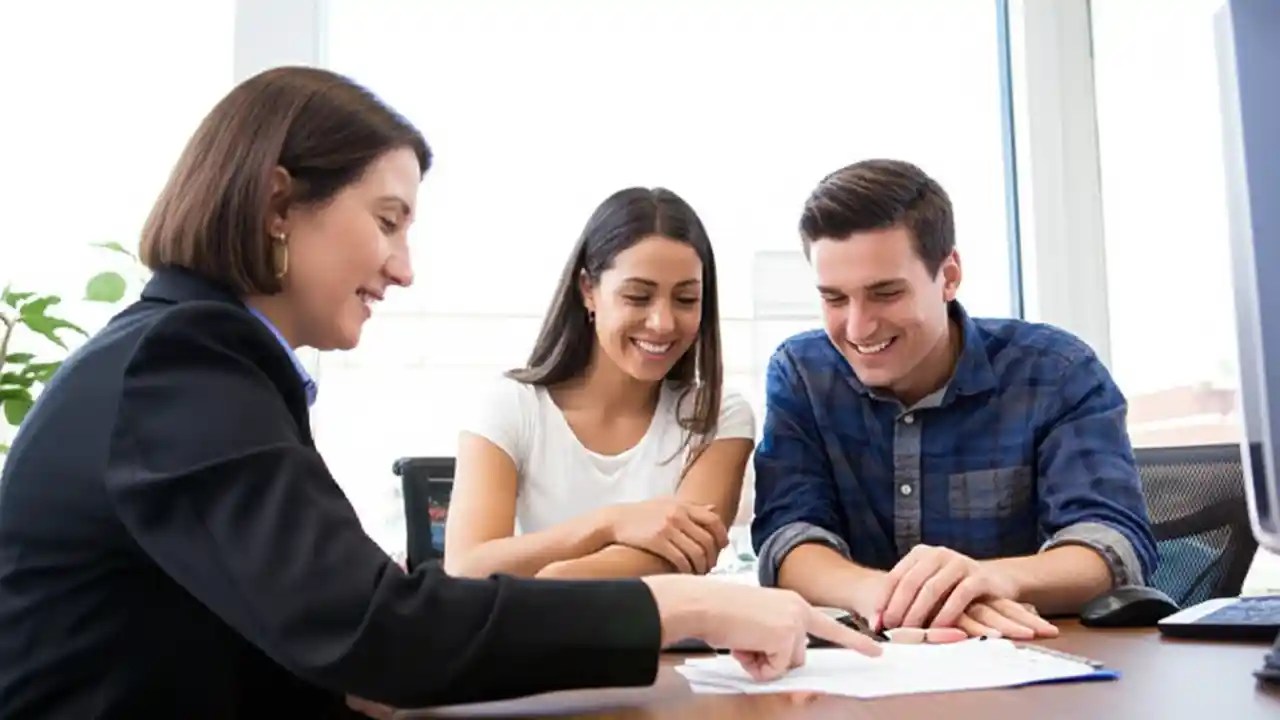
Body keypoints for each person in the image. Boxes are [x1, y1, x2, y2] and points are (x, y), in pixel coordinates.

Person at [0, 67, 879, 719]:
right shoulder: (180, 365)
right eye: (387, 221)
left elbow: (345, 620)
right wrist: (686, 603)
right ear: (278, 205)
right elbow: (376, 631)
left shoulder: (192, 357)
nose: (404, 266)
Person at [750, 158, 1158, 640]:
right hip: (865, 671)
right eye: (835, 299)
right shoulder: (803, 374)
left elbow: (1114, 544)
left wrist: (989, 580)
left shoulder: (1056, 372)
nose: (858, 328)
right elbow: (789, 538)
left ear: (948, 275)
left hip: (1032, 668)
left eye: (885, 293)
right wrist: (889, 597)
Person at [443, 187, 755, 582]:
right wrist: (611, 523)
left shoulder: (718, 415)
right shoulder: (510, 406)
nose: (662, 322)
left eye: (686, 299)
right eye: (638, 297)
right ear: (588, 290)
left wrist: (548, 580)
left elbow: (683, 558)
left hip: (664, 643)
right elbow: (466, 566)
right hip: (532, 644)